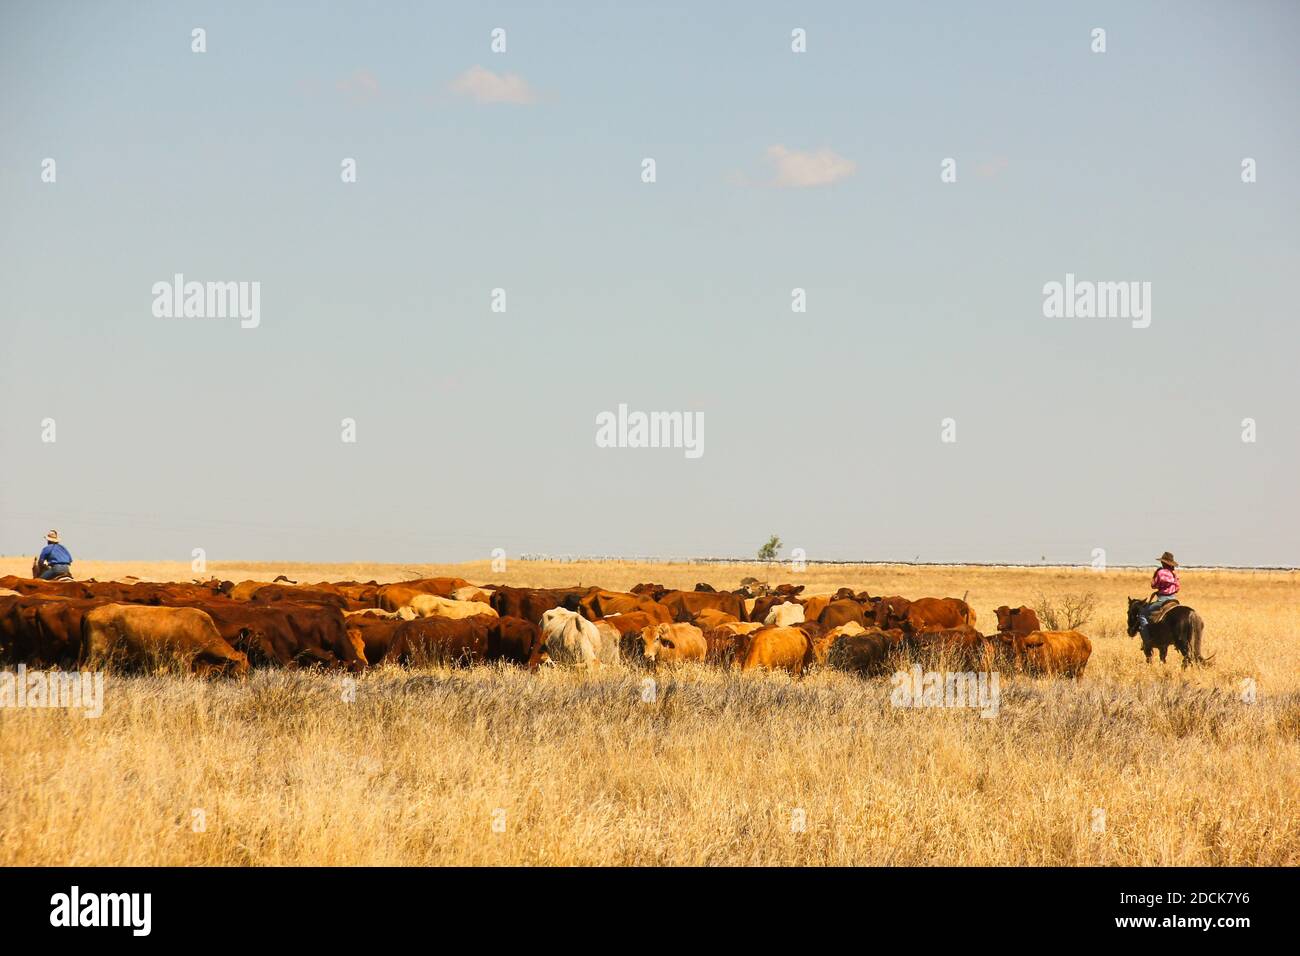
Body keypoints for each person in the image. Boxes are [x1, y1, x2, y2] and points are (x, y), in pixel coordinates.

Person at [1137, 551, 1180, 639]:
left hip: (1162, 600)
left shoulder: (1160, 572)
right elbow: (1178, 588)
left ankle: (1147, 639)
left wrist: (1155, 576)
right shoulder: (1174, 574)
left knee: (1142, 614)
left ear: (1163, 562)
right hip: (1174, 600)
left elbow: (1153, 585)